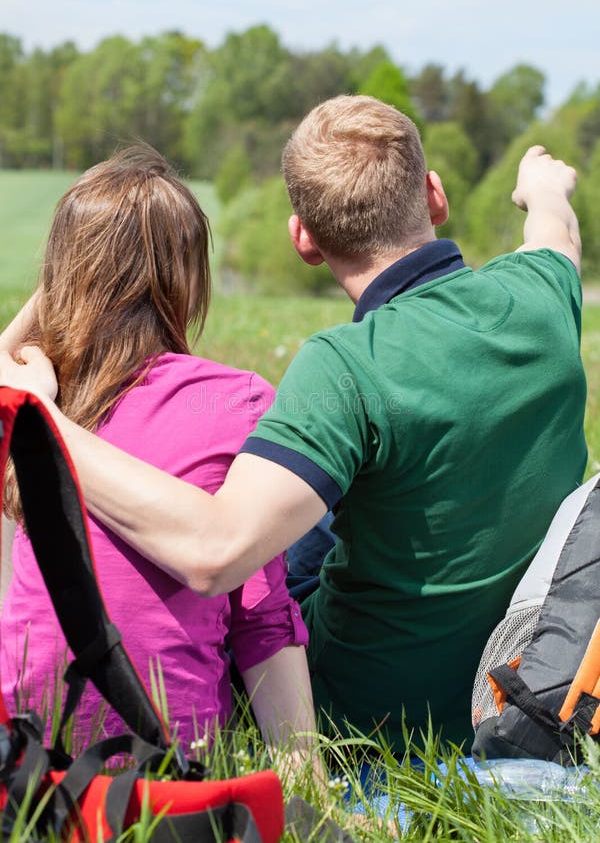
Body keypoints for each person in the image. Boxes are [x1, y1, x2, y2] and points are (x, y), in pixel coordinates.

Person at [0, 96, 587, 751]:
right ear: (435, 195)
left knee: (277, 527)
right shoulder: (541, 292)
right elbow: (557, 232)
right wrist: (542, 186)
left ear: (303, 239)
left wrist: (43, 418)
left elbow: (215, 552)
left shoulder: (344, 366)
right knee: (326, 499)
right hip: (524, 674)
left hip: (370, 718)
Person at [0, 145, 316, 755]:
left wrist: (65, 278)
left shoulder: (36, 396)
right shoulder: (234, 400)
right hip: (174, 764)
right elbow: (262, 617)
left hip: (27, 760)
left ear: (60, 276)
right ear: (190, 278)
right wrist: (306, 782)